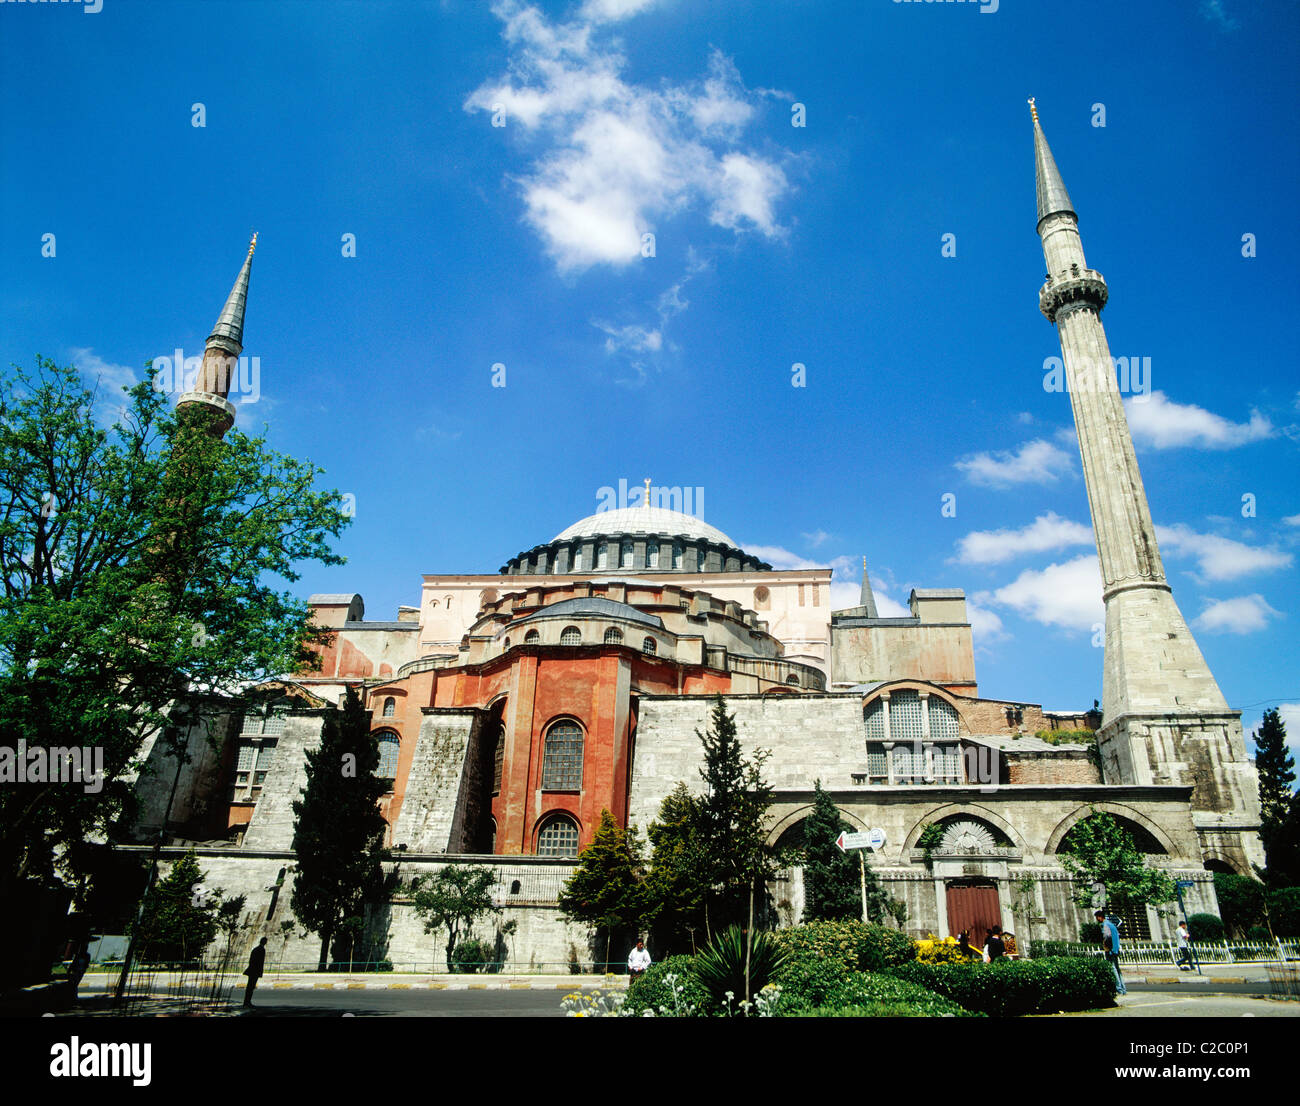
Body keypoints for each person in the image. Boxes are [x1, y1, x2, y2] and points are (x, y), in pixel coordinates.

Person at [1096, 910, 1126, 995]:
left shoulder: (1105, 925)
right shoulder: (1112, 925)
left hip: (1110, 950)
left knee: (1113, 969)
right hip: (1115, 949)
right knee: (1117, 969)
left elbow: (1107, 937)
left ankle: (1119, 988)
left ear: (1100, 917)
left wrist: (1107, 948)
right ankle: (1123, 988)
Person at [243, 937, 268, 1007]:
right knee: (251, 987)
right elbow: (260, 962)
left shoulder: (255, 949)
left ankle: (246, 1002)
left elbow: (251, 960)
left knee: (249, 987)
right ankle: (247, 1002)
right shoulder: (262, 950)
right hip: (255, 971)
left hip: (251, 970)